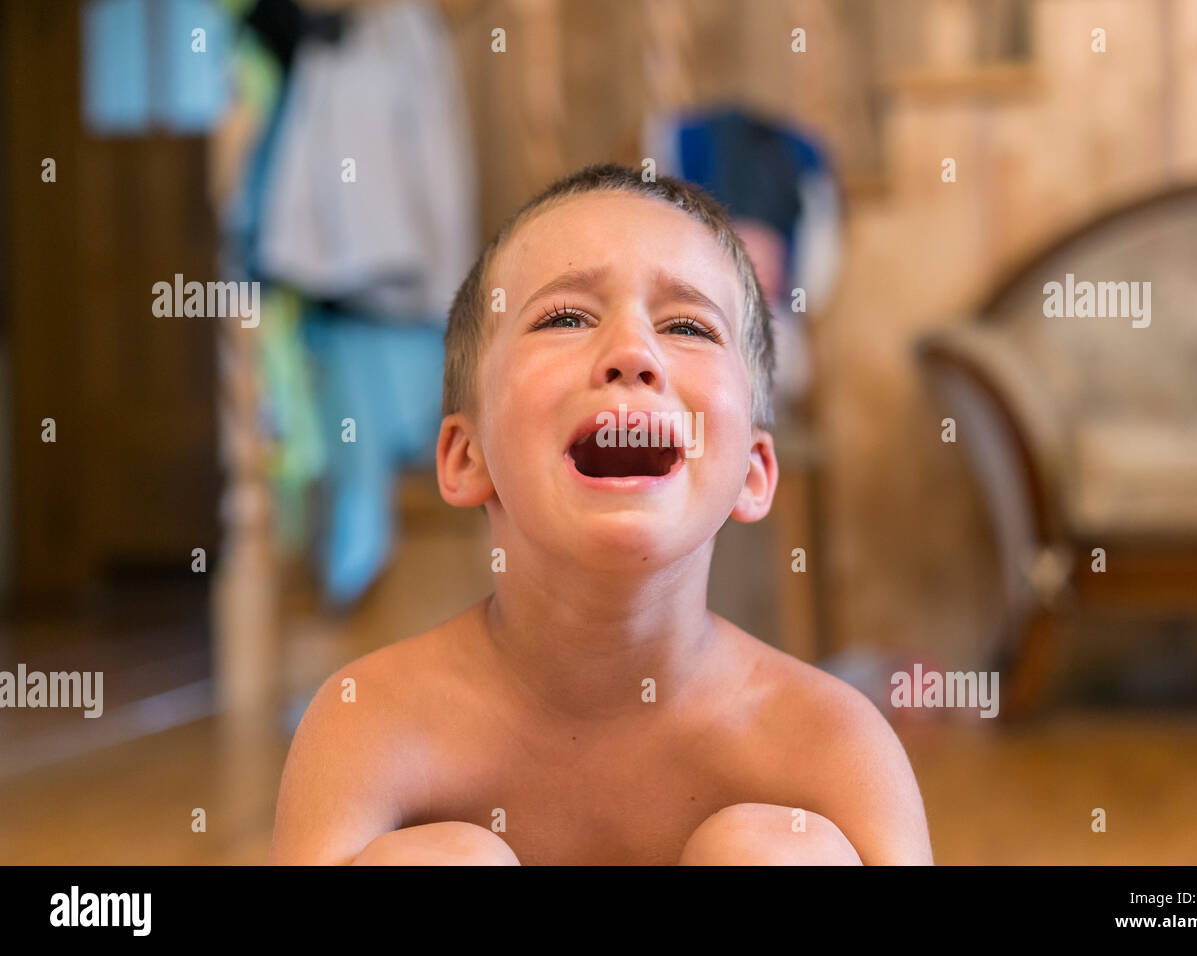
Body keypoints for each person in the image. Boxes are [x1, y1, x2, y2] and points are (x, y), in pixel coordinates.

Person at [269, 164, 932, 865]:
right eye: (565, 317)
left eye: (688, 326)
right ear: (467, 457)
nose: (632, 354)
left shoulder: (830, 746)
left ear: (753, 472)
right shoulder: (368, 726)